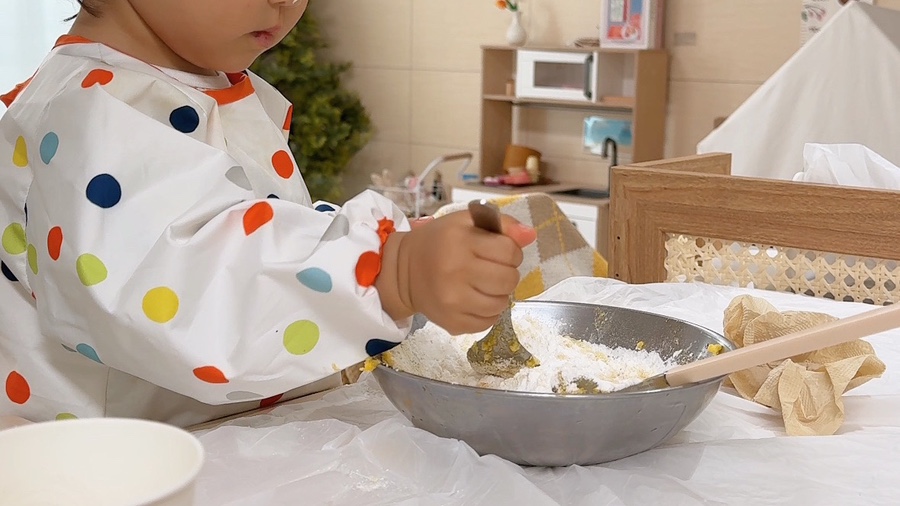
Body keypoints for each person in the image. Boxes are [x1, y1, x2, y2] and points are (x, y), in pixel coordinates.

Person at [0, 0, 535, 427]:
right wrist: (389, 270)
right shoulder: (93, 116)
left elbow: (251, 219)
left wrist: (367, 245)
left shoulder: (181, 82)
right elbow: (189, 286)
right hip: (127, 469)